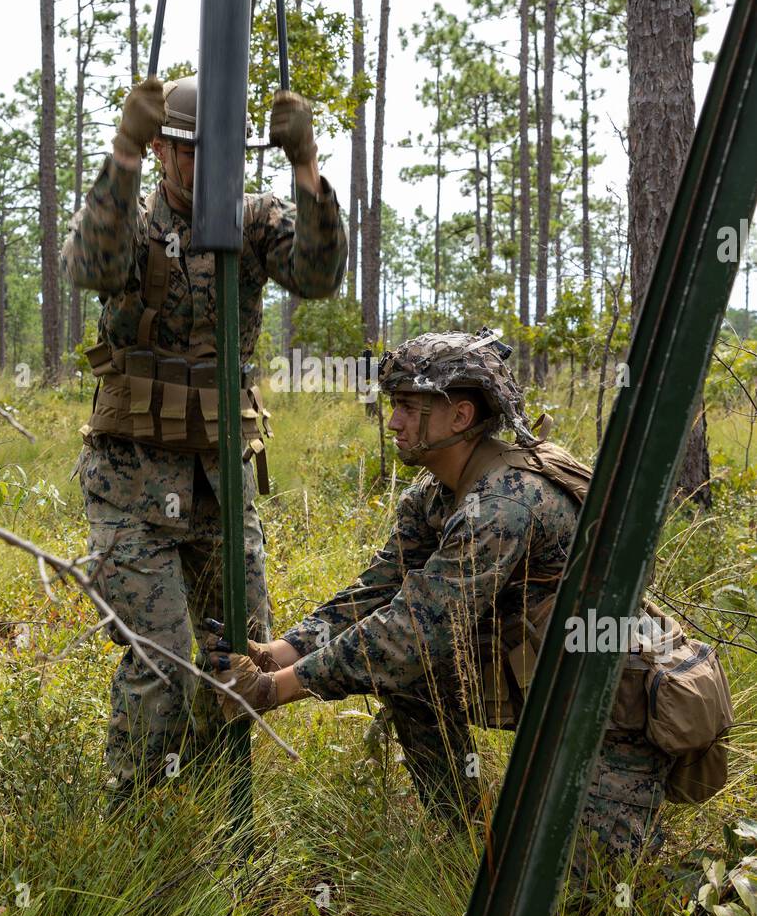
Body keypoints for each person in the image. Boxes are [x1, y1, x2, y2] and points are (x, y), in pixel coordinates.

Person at [210, 328, 678, 882]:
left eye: (409, 407)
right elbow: (377, 594)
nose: (393, 422)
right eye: (394, 406)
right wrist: (275, 653)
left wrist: (275, 690)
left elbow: (415, 629)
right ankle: (467, 832)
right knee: (409, 679)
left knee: (580, 900)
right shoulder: (435, 496)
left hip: (604, 706)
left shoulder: (505, 502)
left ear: (459, 417)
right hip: (543, 673)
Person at [61, 75, 347, 809]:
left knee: (239, 658)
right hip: (130, 485)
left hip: (221, 481)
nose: (206, 167)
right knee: (160, 663)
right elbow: (89, 265)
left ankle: (220, 817)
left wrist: (306, 164)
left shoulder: (254, 222)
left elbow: (319, 274)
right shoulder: (134, 222)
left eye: (220, 152)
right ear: (162, 149)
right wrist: (121, 153)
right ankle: (135, 819)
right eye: (189, 150)